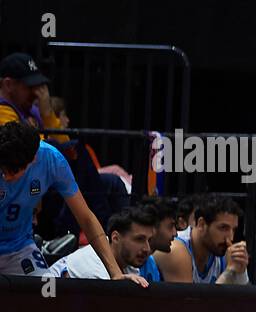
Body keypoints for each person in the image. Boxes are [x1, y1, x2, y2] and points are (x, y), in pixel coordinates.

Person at [0, 122, 144, 284]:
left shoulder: (51, 160)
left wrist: (115, 274)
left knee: (46, 296)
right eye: (4, 170)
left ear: (33, 159)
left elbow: (86, 218)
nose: (7, 177)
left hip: (19, 248)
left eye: (13, 170)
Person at [156, 193, 249, 285]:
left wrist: (241, 271)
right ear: (201, 224)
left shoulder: (222, 252)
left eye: (233, 230)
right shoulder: (175, 248)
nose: (230, 238)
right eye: (223, 228)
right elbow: (187, 299)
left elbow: (247, 298)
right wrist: (229, 272)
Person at [50, 206, 156, 279]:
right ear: (115, 238)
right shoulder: (94, 270)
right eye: (139, 239)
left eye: (149, 240)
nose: (147, 248)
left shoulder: (128, 262)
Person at [0, 53, 66, 139]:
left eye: (38, 86)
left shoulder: (32, 110)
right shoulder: (2, 112)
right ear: (8, 84)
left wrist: (47, 114)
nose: (36, 93)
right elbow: (31, 150)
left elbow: (66, 148)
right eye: (30, 86)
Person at [135, 194, 178, 284]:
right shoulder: (129, 259)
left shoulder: (150, 263)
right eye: (170, 226)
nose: (175, 233)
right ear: (153, 227)